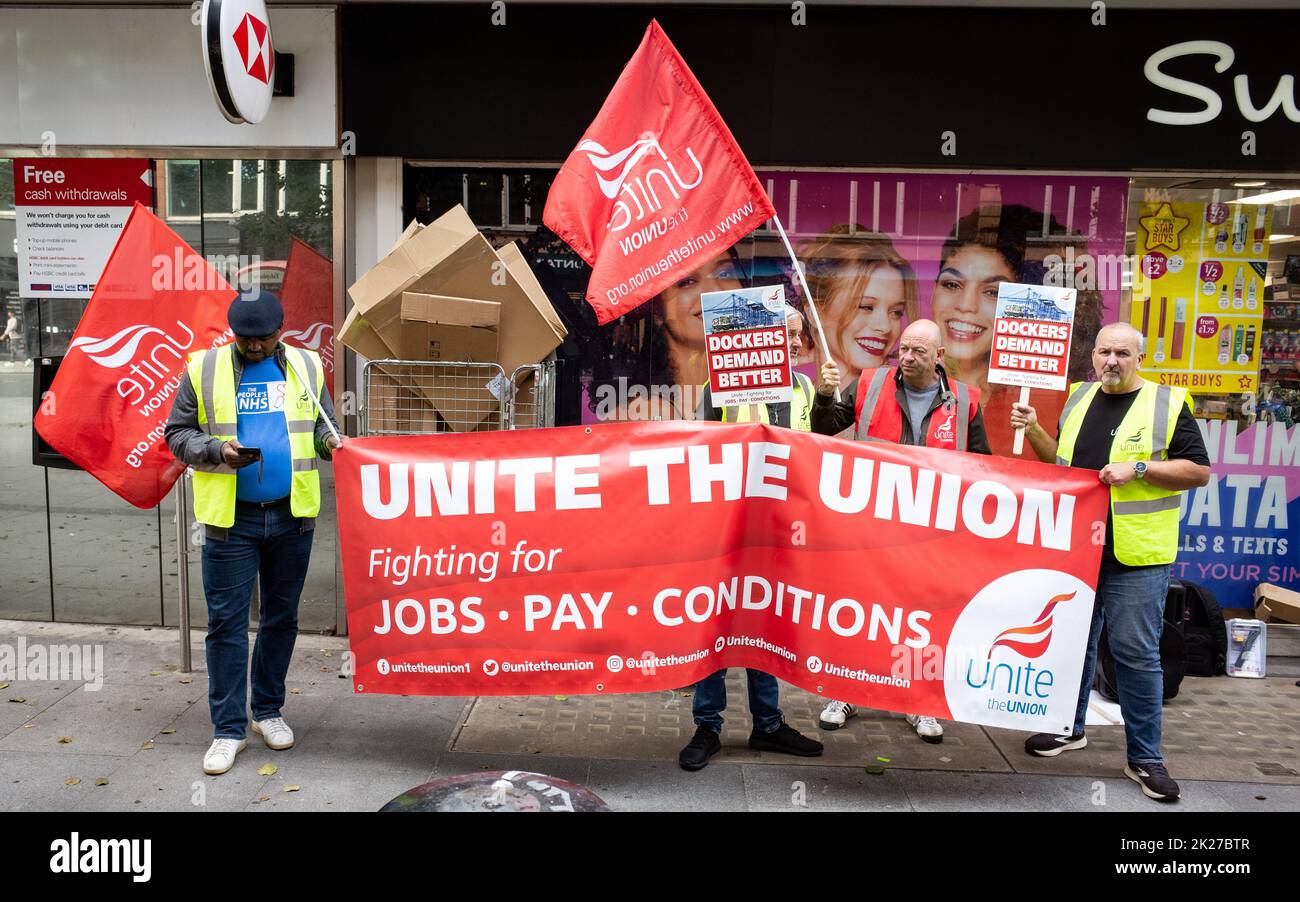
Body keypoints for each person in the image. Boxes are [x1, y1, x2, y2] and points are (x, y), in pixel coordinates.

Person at [1010, 322, 1210, 802]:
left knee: (1135, 653)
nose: (1111, 362)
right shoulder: (1079, 398)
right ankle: (1067, 727)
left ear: (1139, 357)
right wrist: (1034, 429)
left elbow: (1198, 471)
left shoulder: (1167, 402)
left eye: (1122, 353)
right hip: (1081, 547)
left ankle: (1145, 758)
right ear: (1093, 355)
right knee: (1073, 644)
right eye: (1104, 352)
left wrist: (1140, 467)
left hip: (1135, 554)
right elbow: (1064, 465)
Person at [164, 289, 343, 776]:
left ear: (280, 330)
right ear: (234, 334)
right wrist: (219, 450)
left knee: (281, 618)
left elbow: (323, 426)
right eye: (246, 340)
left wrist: (335, 443)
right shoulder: (202, 368)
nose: (256, 347)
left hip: (292, 514)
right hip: (231, 520)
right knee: (226, 624)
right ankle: (228, 729)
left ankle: (268, 711)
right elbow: (176, 434)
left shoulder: (307, 365)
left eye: (263, 339)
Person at [811, 318, 990, 743]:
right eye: (903, 350)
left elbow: (984, 465)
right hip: (872, 527)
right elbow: (824, 431)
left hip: (932, 535)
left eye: (918, 353)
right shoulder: (869, 383)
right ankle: (845, 693)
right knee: (860, 612)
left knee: (922, 619)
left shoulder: (965, 401)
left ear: (939, 357)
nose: (907, 359)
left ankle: (917, 703)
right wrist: (822, 395)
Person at [678, 304, 824, 770]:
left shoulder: (804, 387)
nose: (796, 342)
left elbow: (816, 450)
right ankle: (708, 725)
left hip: (778, 534)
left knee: (765, 624)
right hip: (726, 532)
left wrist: (832, 397)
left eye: (800, 335)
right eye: (788, 332)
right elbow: (697, 450)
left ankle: (768, 723)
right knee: (717, 623)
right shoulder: (718, 387)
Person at [931, 205, 1104, 459]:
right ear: (933, 291)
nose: (966, 306)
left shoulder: (1051, 398)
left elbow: (1071, 467)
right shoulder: (914, 381)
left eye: (993, 292)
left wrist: (1033, 429)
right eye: (952, 284)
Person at [799, 230, 918, 388]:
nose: (885, 327)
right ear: (816, 313)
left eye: (896, 312)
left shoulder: (902, 402)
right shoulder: (798, 401)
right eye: (866, 307)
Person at [695, 303, 816, 429]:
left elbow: (818, 440)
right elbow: (702, 442)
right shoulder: (720, 385)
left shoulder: (805, 385)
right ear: (762, 337)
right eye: (790, 335)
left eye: (799, 335)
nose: (799, 343)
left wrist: (826, 398)